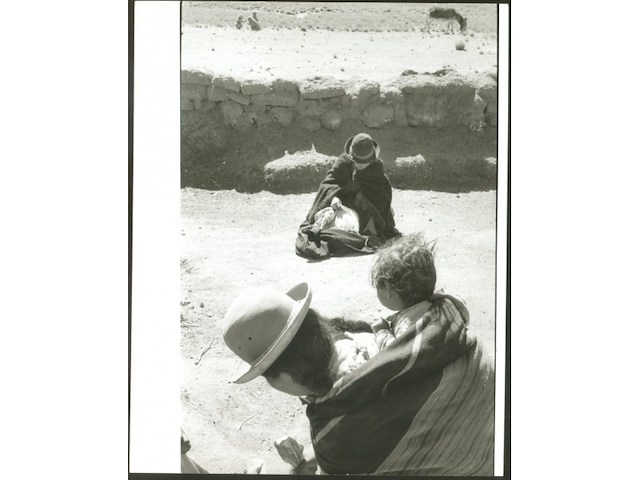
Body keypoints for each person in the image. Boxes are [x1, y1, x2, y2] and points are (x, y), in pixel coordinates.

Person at [222, 281, 495, 475]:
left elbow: (363, 437)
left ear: (285, 374)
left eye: (267, 376)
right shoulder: (362, 338)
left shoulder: (335, 430)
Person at [295, 133, 399, 260]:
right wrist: (334, 197)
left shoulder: (376, 169)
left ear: (372, 159)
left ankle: (363, 230)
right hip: (341, 208)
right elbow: (328, 186)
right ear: (352, 156)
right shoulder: (344, 163)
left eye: (365, 163)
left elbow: (381, 197)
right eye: (357, 162)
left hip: (365, 216)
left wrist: (369, 209)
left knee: (382, 215)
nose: (361, 166)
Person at [370, 232, 455, 350]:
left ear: (389, 290)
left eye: (378, 286)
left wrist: (381, 332)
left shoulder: (408, 326)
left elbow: (395, 356)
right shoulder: (434, 307)